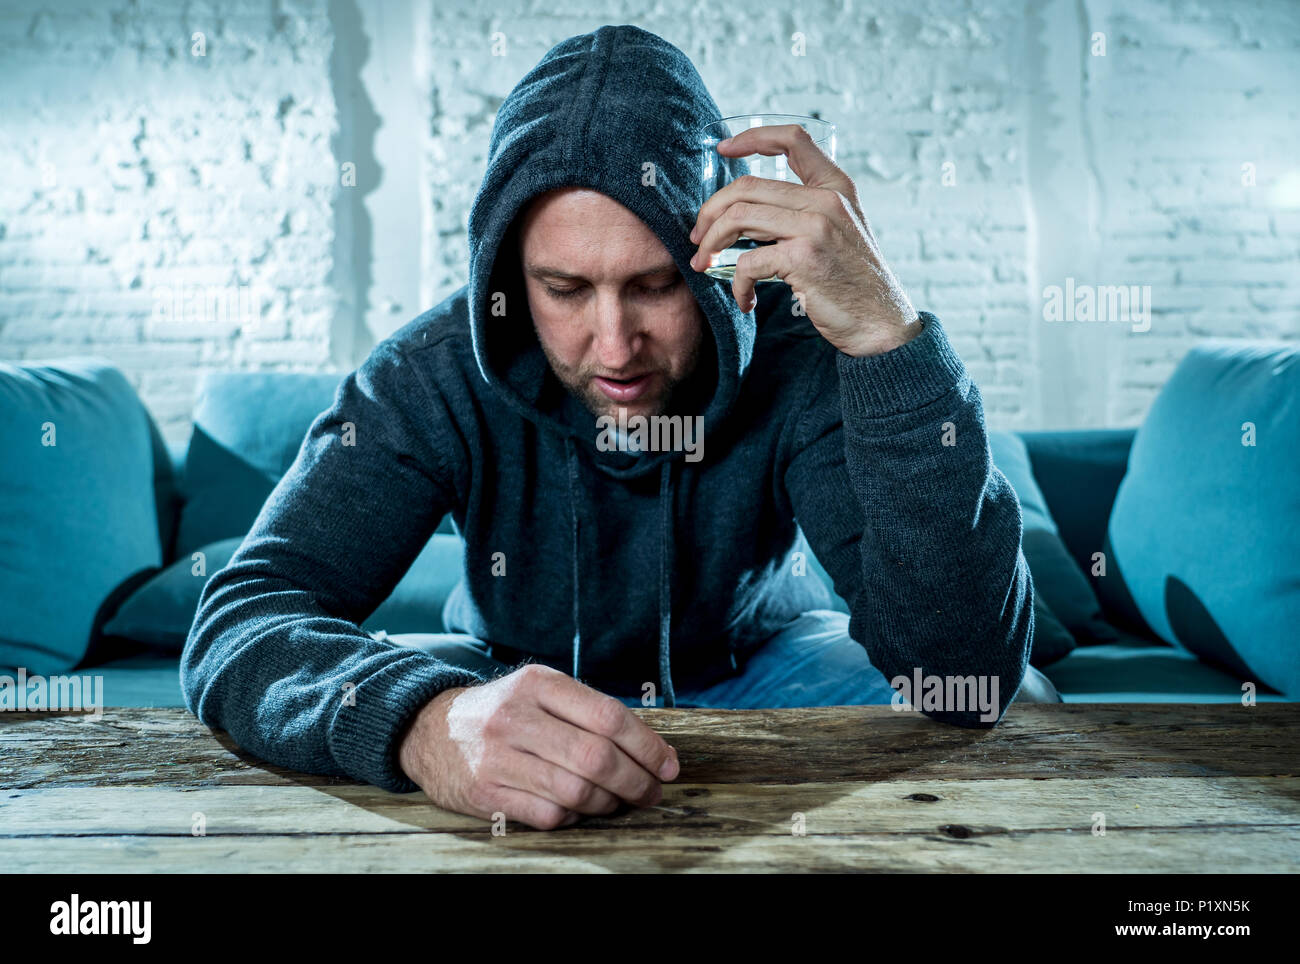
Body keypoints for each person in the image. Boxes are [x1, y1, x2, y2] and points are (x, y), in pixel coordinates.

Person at [181, 24, 1059, 833]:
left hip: (767, 664)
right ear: (507, 274)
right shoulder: (428, 375)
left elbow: (964, 673)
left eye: (654, 285)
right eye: (564, 290)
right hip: (508, 673)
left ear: (718, 260)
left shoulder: (801, 352)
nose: (614, 345)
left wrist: (888, 341)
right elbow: (242, 616)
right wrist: (423, 722)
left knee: (1018, 696)